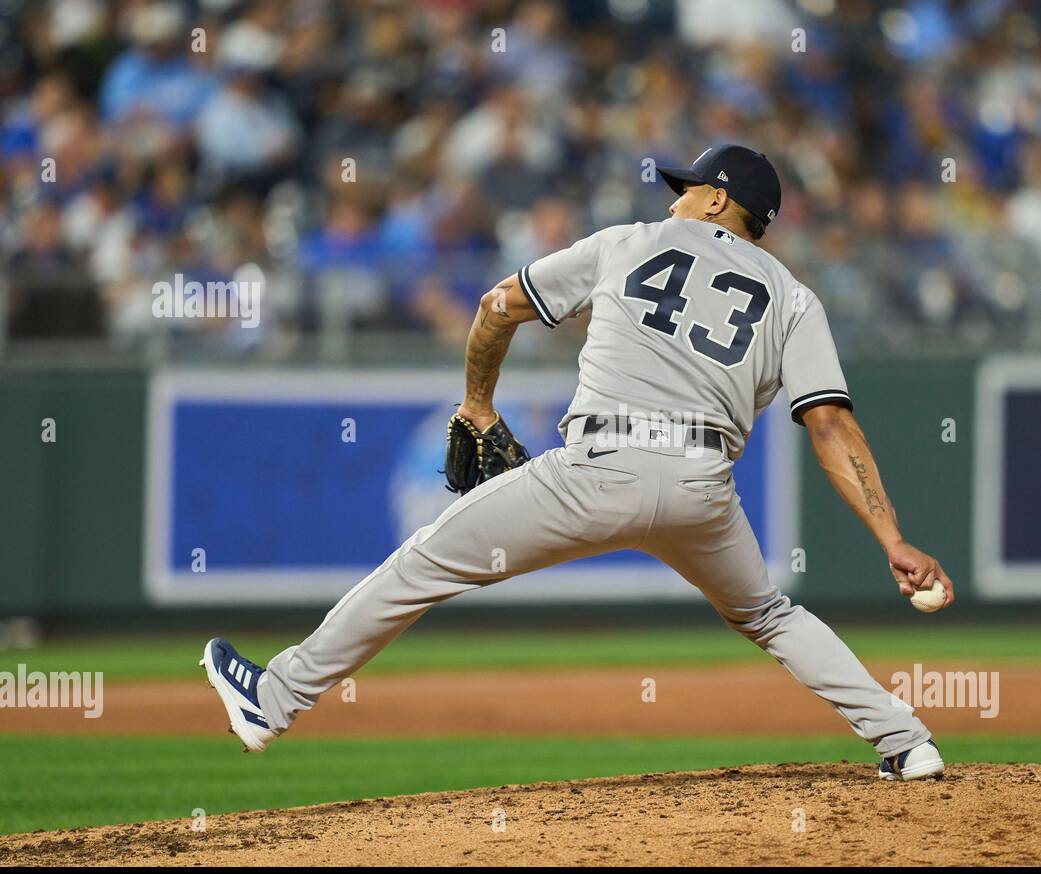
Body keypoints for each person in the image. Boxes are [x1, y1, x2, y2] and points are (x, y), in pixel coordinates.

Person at [201, 144, 955, 781]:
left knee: (422, 564)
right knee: (767, 614)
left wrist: (477, 405)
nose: (673, 201)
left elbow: (498, 305)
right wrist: (892, 541)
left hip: (600, 464)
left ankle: (273, 698)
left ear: (722, 202)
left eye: (686, 189)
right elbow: (829, 424)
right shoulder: (795, 299)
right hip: (702, 490)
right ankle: (906, 742)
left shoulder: (626, 242)